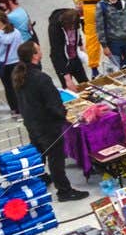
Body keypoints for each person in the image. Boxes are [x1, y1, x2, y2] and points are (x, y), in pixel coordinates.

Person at [12, 41, 87, 203]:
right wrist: (64, 115)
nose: (41, 51)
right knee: (55, 158)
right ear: (35, 55)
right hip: (47, 125)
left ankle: (40, 179)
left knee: (39, 154)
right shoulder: (41, 78)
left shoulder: (18, 74)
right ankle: (64, 191)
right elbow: (53, 104)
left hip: (31, 122)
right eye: (38, 50)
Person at [0, 10, 24, 114]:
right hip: (17, 63)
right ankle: (23, 108)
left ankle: (14, 109)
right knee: (19, 87)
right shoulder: (16, 32)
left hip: (4, 66)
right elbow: (21, 46)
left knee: (9, 88)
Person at [47, 8, 88, 88]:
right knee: (69, 88)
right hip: (62, 61)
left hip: (75, 58)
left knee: (85, 84)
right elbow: (57, 54)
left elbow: (78, 34)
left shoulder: (75, 21)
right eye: (70, 27)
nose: (72, 28)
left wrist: (81, 46)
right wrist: (67, 78)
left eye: (74, 26)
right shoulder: (54, 29)